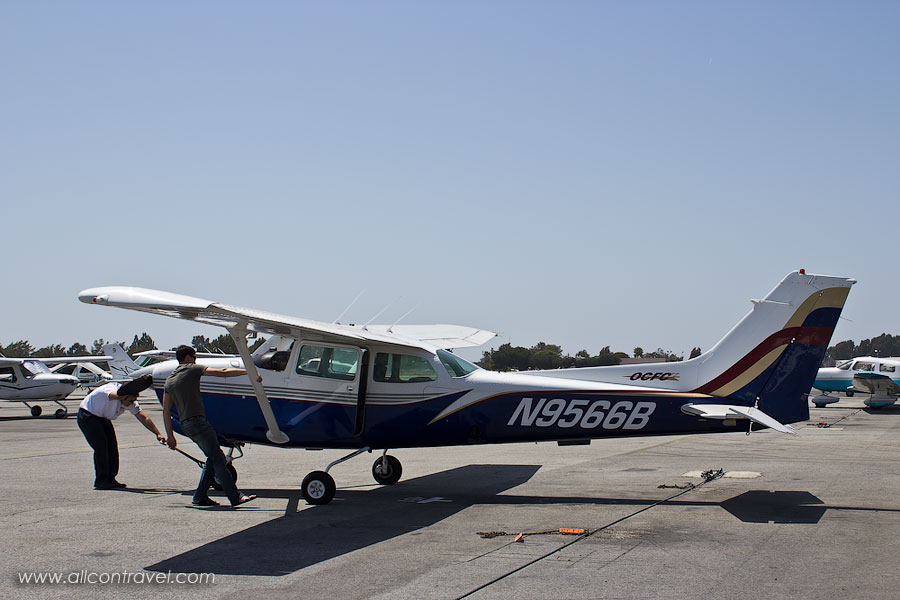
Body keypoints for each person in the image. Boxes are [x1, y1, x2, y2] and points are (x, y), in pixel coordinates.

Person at [163, 345, 257, 508]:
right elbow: (222, 373)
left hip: (186, 424)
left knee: (212, 457)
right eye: (194, 356)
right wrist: (249, 372)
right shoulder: (191, 369)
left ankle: (200, 496)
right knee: (219, 459)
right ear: (187, 357)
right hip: (198, 422)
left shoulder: (169, 380)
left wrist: (170, 436)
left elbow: (166, 411)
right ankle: (235, 497)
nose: (195, 360)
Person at [77, 374, 163, 489]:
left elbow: (143, 417)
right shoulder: (110, 388)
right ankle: (101, 480)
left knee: (112, 447)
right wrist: (125, 394)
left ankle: (111, 478)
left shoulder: (130, 400)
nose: (131, 403)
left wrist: (158, 434)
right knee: (101, 447)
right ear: (124, 397)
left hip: (103, 419)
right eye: (130, 400)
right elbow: (113, 395)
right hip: (88, 416)